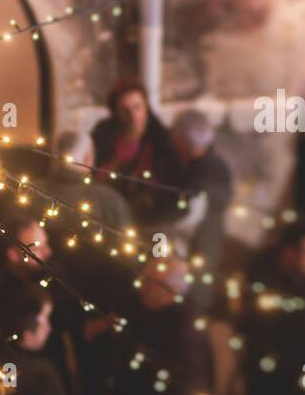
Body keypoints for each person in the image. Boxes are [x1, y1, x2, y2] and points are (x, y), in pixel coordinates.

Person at [161, 109, 233, 286]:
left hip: (195, 246)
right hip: (196, 244)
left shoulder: (207, 172)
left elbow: (189, 216)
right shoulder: (203, 164)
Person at [89, 78, 176, 223]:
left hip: (150, 210)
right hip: (109, 206)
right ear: (116, 112)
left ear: (146, 106)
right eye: (125, 111)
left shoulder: (162, 139)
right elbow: (93, 175)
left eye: (137, 107)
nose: (133, 116)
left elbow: (169, 181)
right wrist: (116, 162)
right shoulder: (104, 134)